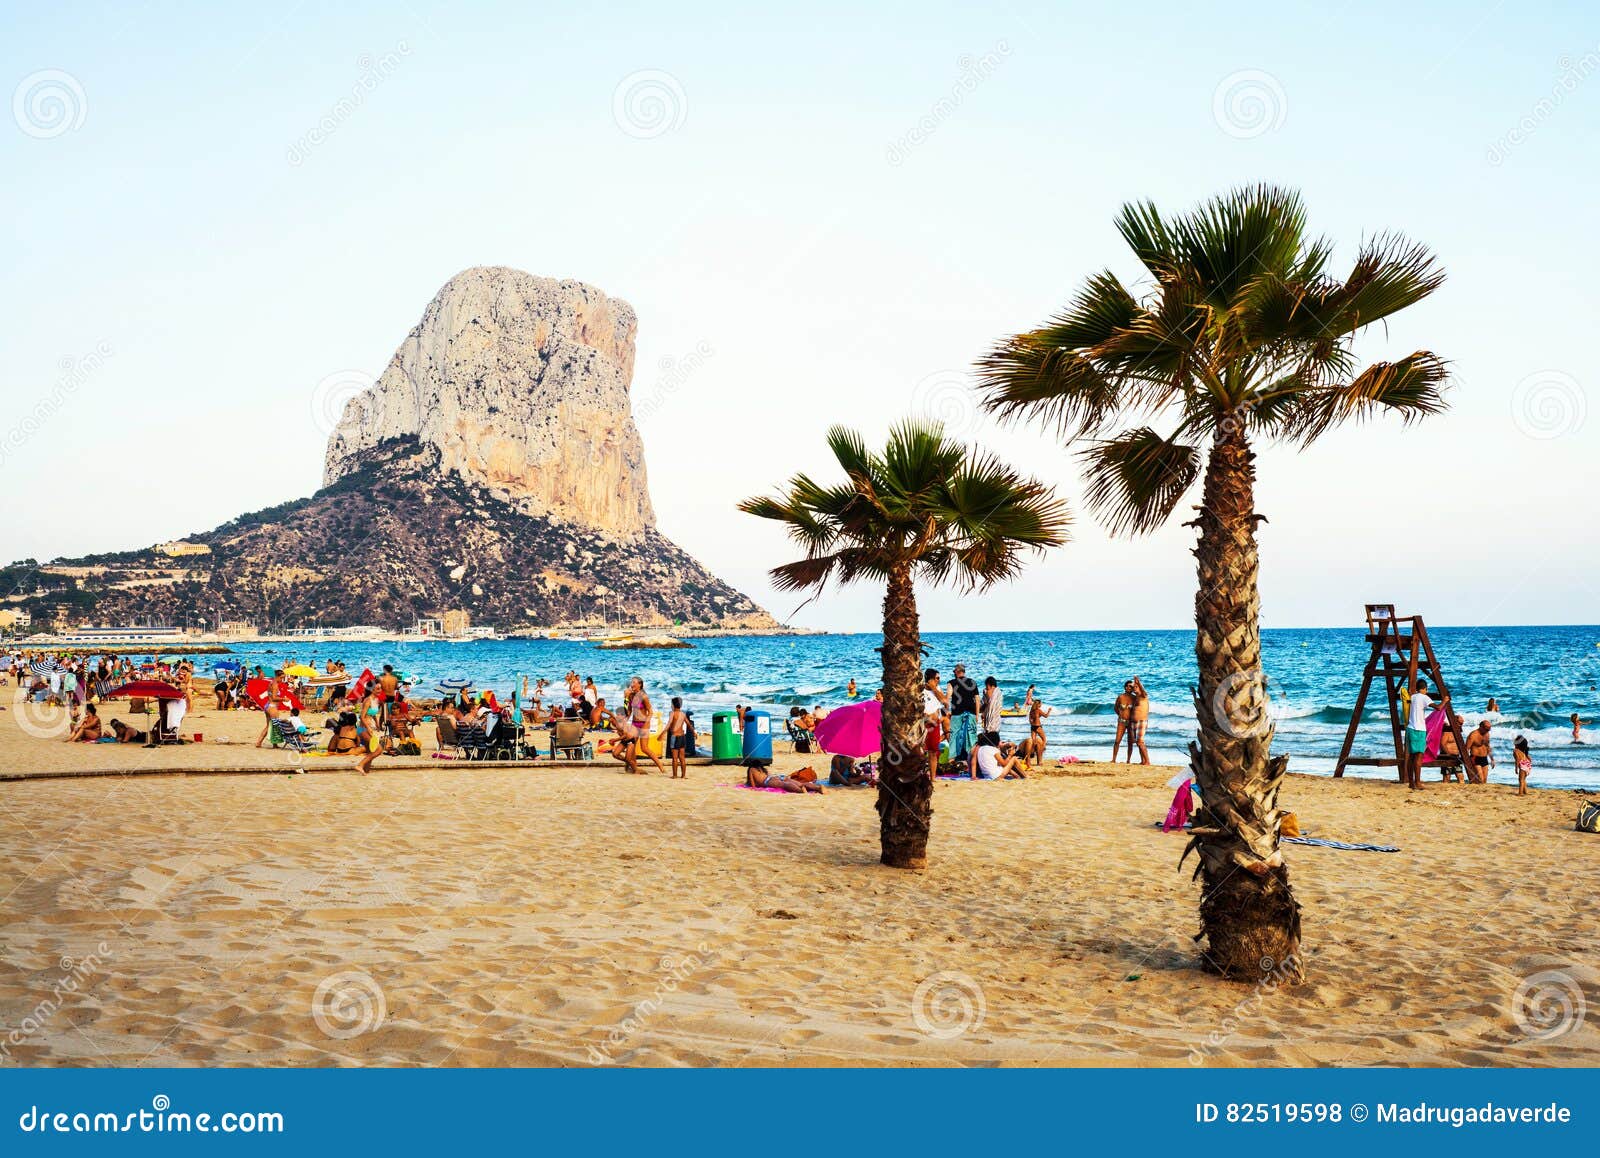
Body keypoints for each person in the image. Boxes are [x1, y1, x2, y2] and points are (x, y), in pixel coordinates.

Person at [1405, 677, 1445, 790]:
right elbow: (1438, 708)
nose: (1426, 691)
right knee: (1419, 757)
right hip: (1419, 729)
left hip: (1410, 728)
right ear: (1424, 689)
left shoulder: (1412, 697)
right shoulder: (1424, 697)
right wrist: (1445, 700)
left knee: (1412, 757)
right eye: (1426, 689)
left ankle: (1411, 782)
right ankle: (1417, 782)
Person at [625, 677, 667, 774]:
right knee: (631, 746)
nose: (632, 684)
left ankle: (661, 766)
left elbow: (650, 712)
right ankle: (631, 767)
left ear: (640, 684)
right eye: (631, 682)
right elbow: (629, 711)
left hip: (644, 724)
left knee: (644, 748)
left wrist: (646, 724)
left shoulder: (644, 696)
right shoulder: (631, 696)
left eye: (634, 682)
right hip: (634, 724)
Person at [947, 664, 979, 764]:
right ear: (963, 672)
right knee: (972, 736)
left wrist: (947, 710)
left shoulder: (951, 683)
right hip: (971, 712)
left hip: (957, 713)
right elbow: (977, 699)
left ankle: (952, 759)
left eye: (954, 672)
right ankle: (972, 760)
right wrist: (977, 715)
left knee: (954, 735)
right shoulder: (972, 682)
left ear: (956, 672)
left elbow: (948, 696)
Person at [921, 668, 947, 779]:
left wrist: (934, 689)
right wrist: (928, 717)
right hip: (923, 724)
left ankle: (933, 777)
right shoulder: (921, 691)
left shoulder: (937, 689)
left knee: (933, 751)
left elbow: (945, 702)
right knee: (921, 751)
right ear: (930, 679)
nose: (938, 681)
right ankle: (920, 775)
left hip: (934, 725)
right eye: (937, 678)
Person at [746, 764, 825, 794]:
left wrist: (752, 786)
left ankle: (800, 791)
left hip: (768, 781)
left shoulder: (751, 770)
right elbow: (770, 775)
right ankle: (818, 788)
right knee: (800, 783)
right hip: (775, 776)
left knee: (785, 785)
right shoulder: (763, 770)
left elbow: (753, 785)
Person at [661, 696, 689, 779]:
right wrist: (694, 732)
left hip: (674, 737)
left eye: (671, 704)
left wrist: (662, 733)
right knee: (682, 758)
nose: (671, 706)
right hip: (682, 737)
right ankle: (683, 776)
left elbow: (669, 724)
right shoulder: (683, 714)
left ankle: (675, 775)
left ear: (673, 705)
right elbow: (688, 724)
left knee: (675, 758)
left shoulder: (672, 713)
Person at [1128, 677, 1149, 765]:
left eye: (1136, 687)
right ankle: (1143, 761)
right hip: (1133, 722)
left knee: (1140, 742)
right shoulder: (1135, 697)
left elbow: (1143, 690)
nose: (1134, 688)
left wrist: (1138, 682)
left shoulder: (1143, 696)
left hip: (1142, 721)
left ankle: (1147, 761)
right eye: (1133, 687)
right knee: (1137, 742)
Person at [1438, 713, 1465, 782]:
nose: (1461, 725)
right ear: (1454, 722)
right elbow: (1442, 744)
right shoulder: (1447, 731)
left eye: (1462, 723)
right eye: (1460, 723)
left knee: (1460, 776)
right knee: (1447, 777)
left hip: (1456, 756)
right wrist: (1448, 754)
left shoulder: (1458, 732)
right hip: (1447, 757)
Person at [1112, 680, 1135, 761]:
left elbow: (1137, 710)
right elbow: (1115, 708)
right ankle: (1113, 759)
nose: (1129, 688)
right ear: (1125, 687)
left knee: (1130, 742)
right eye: (1127, 686)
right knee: (1117, 741)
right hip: (1121, 722)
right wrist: (1121, 715)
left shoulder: (1134, 698)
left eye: (1131, 686)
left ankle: (1128, 760)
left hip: (1130, 723)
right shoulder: (1120, 697)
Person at [978, 676, 1003, 747]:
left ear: (990, 685)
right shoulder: (999, 692)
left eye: (986, 686)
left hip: (991, 719)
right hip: (996, 719)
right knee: (995, 738)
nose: (986, 688)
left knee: (989, 738)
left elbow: (983, 705)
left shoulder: (988, 692)